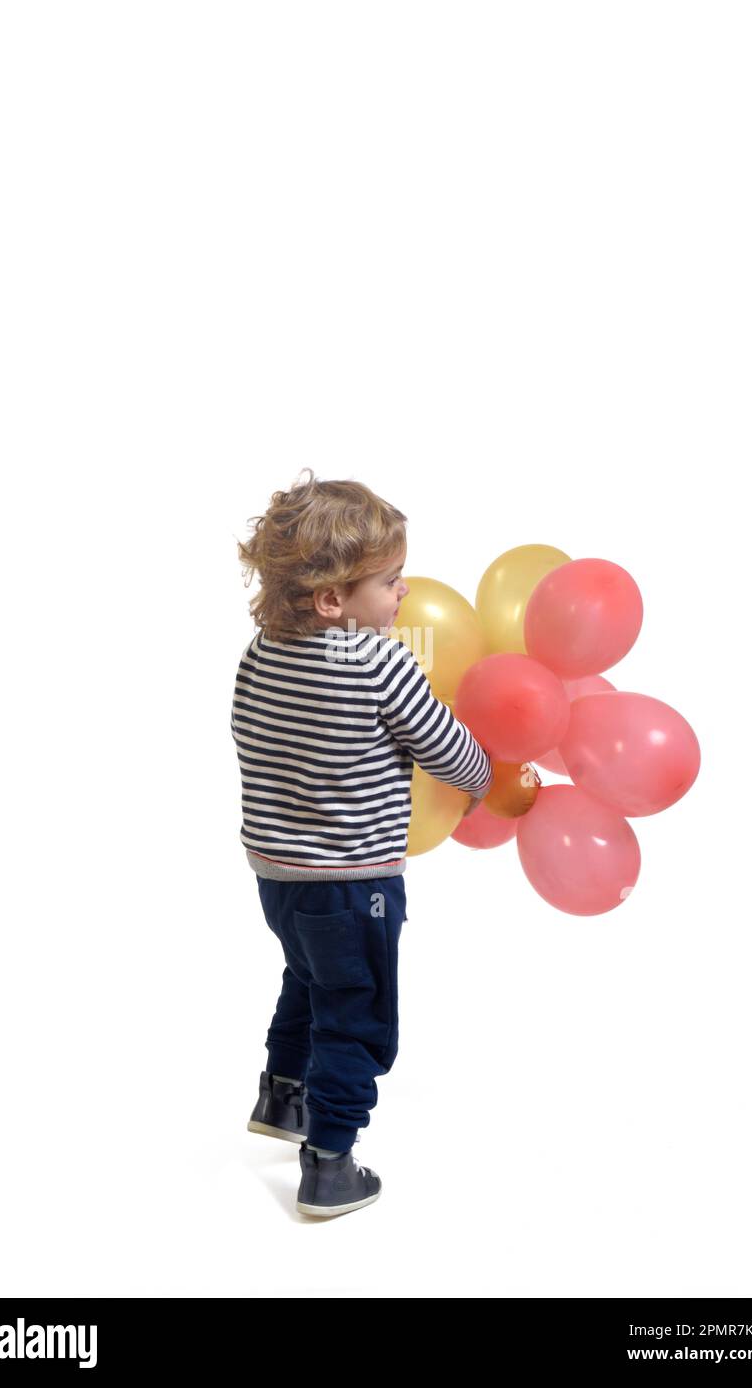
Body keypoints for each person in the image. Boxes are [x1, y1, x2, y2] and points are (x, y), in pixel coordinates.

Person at [231, 468, 493, 1217]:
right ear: (332, 600)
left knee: (310, 979)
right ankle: (331, 1162)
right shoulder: (378, 661)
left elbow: (247, 732)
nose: (404, 594)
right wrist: (482, 779)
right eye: (390, 582)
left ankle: (282, 1097)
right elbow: (444, 745)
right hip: (353, 881)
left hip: (277, 873)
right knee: (358, 1011)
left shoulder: (262, 653)